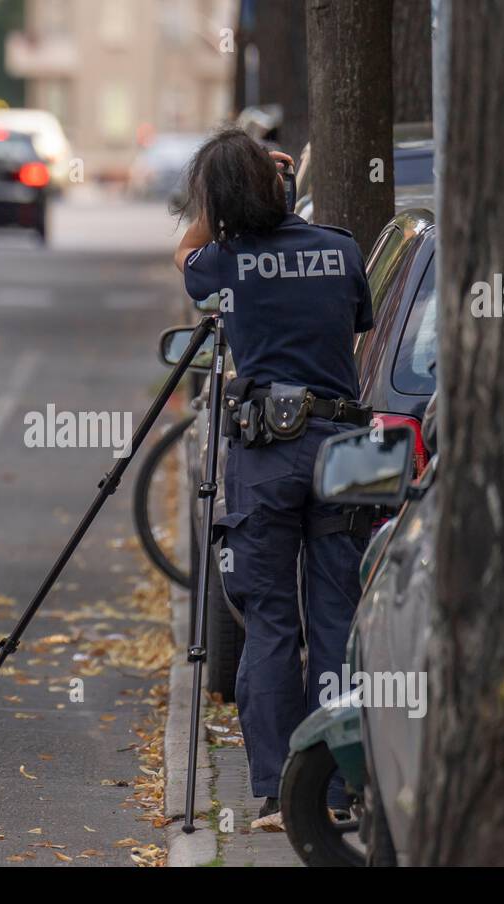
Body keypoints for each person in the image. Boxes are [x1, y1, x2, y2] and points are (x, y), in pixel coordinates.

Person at [173, 127, 373, 831]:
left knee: (268, 625)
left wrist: (222, 202)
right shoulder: (342, 249)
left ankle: (280, 793)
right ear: (280, 185)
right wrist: (271, 181)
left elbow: (184, 255)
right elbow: (356, 322)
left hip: (265, 455)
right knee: (337, 620)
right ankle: (341, 787)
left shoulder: (225, 259)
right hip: (341, 452)